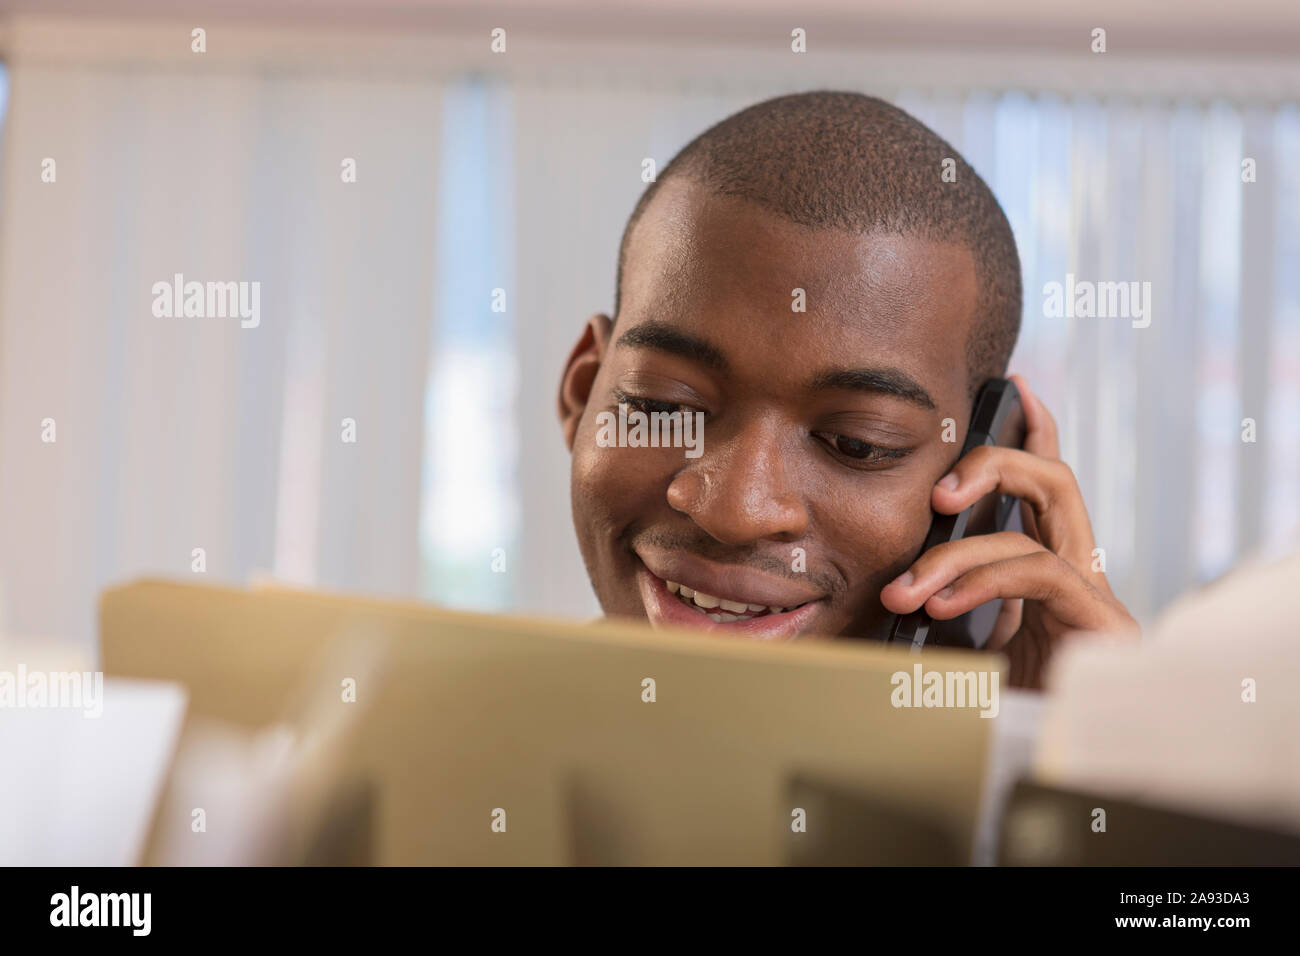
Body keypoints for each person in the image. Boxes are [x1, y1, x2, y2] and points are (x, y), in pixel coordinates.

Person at [556, 91, 1137, 688]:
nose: (737, 511)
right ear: (581, 394)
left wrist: (1056, 749)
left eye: (856, 443)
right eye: (664, 406)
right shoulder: (456, 758)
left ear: (988, 504)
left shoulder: (1043, 754)